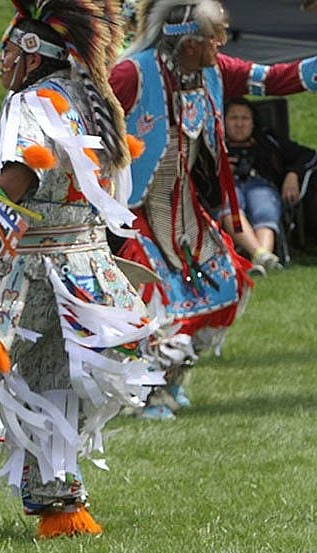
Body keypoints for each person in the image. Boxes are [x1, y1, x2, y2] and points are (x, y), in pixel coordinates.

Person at [0, 0, 161, 538]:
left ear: (27, 53)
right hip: (83, 263)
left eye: (6, 50)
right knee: (53, 382)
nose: (1, 63)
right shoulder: (87, 99)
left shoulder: (32, 102)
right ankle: (61, 501)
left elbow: (22, 167)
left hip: (36, 267)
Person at [110, 0, 317, 419]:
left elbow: (275, 79)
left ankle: (171, 379)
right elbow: (90, 121)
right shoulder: (132, 74)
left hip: (184, 208)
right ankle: (143, 394)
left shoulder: (215, 71)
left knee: (224, 286)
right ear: (188, 43)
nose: (220, 44)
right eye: (214, 37)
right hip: (132, 212)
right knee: (158, 301)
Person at [223, 96, 317, 269]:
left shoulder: (267, 142)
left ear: (253, 122)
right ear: (224, 121)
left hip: (261, 185)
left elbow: (309, 155)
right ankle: (261, 255)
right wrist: (220, 170)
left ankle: (262, 260)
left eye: (245, 118)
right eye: (234, 118)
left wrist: (293, 174)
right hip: (229, 186)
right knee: (231, 203)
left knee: (264, 206)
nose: (239, 124)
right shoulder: (215, 144)